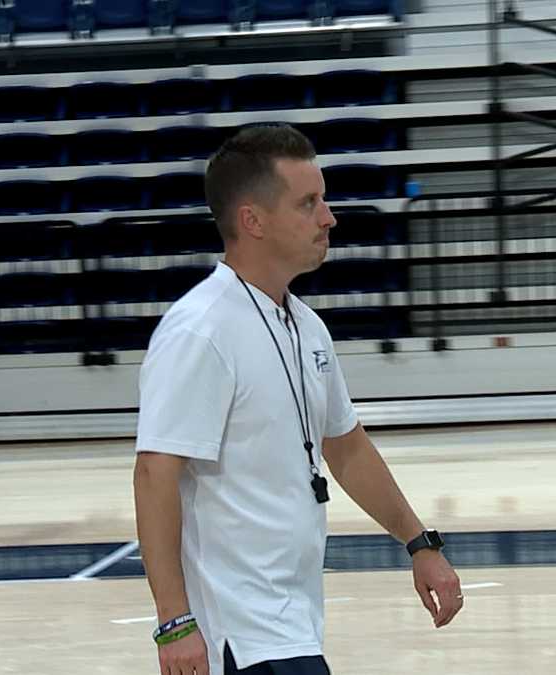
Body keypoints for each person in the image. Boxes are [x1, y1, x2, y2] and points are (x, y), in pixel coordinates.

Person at [133, 123, 463, 675]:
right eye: (308, 203)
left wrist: (419, 543)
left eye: (324, 200)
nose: (328, 217)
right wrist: (174, 621)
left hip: (292, 618)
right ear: (253, 220)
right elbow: (154, 473)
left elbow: (347, 449)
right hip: (235, 629)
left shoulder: (306, 327)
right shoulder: (200, 331)